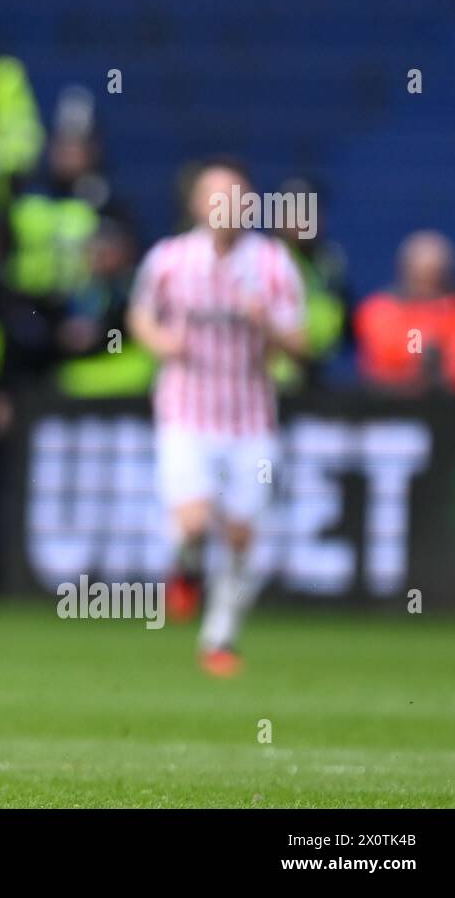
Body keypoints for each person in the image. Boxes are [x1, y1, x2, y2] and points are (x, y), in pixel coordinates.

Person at [126, 158, 307, 677]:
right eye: (217, 196)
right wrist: (162, 341)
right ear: (197, 204)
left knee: (243, 534)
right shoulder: (170, 259)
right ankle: (185, 569)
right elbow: (140, 315)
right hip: (185, 411)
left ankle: (220, 636)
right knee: (193, 523)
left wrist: (267, 324)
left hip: (250, 418)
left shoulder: (273, 264)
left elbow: (301, 345)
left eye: (238, 197)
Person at [354, 230, 455, 394]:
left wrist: (446, 362)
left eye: (437, 277)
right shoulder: (380, 311)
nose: (428, 288)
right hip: (393, 403)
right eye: (421, 277)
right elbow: (382, 360)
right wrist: (420, 356)